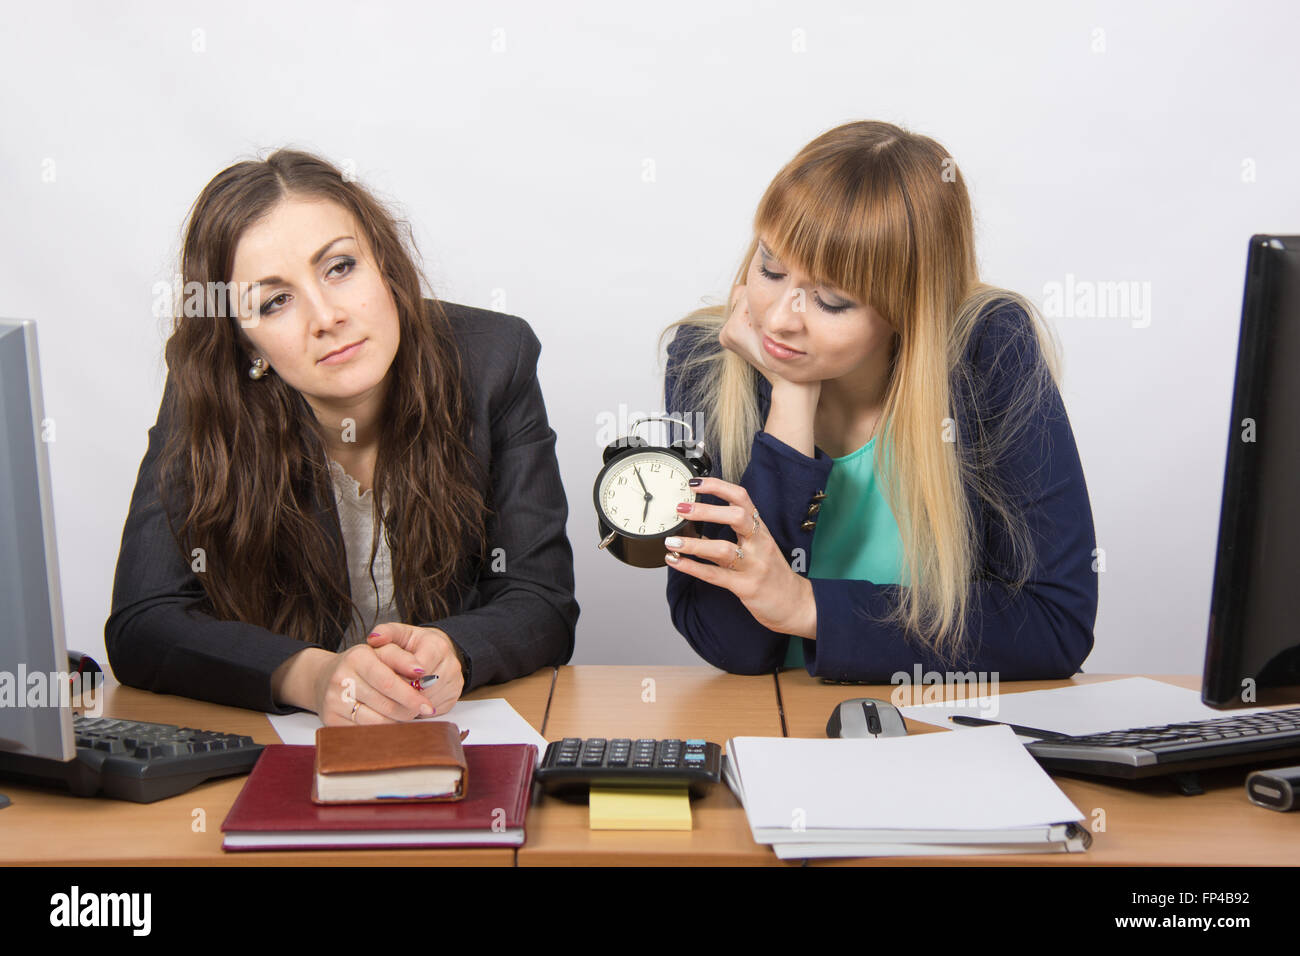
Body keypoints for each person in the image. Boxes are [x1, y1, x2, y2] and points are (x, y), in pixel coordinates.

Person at [105, 149, 578, 724]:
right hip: (290, 752)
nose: (326, 316)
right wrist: (311, 675)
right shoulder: (209, 392)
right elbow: (144, 621)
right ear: (246, 345)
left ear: (385, 265)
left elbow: (541, 601)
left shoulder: (495, 359)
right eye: (275, 301)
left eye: (339, 268)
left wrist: (456, 650)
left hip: (444, 729)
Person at [661, 121, 1097, 681]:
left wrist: (806, 608)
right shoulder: (705, 361)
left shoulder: (989, 349)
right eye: (770, 268)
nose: (776, 318)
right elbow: (733, 645)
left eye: (831, 300)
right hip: (772, 727)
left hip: (945, 731)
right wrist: (791, 396)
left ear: (906, 309)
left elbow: (1054, 624)